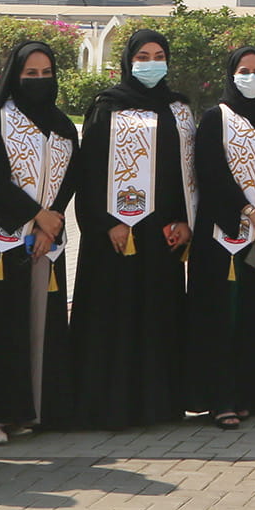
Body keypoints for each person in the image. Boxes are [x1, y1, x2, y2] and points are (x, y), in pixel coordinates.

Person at [68, 28, 195, 429]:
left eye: (159, 55)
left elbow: (189, 172)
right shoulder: (107, 106)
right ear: (127, 61)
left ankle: (157, 405)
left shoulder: (180, 109)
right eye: (143, 56)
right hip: (117, 235)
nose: (152, 63)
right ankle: (109, 406)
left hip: (163, 236)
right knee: (114, 317)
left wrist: (186, 220)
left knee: (157, 317)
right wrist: (106, 223)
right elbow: (88, 172)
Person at [0, 39, 75, 446]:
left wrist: (49, 221)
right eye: (30, 74)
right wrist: (33, 215)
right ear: (14, 76)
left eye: (46, 74)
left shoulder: (62, 124)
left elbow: (69, 177)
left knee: (38, 324)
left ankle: (25, 410)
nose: (38, 81)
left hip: (45, 242)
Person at [188, 47, 255, 428]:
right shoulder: (216, 118)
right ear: (231, 75)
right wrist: (251, 215)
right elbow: (211, 174)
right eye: (244, 70)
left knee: (253, 316)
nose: (251, 77)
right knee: (221, 318)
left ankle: (249, 393)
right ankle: (220, 399)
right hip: (222, 236)